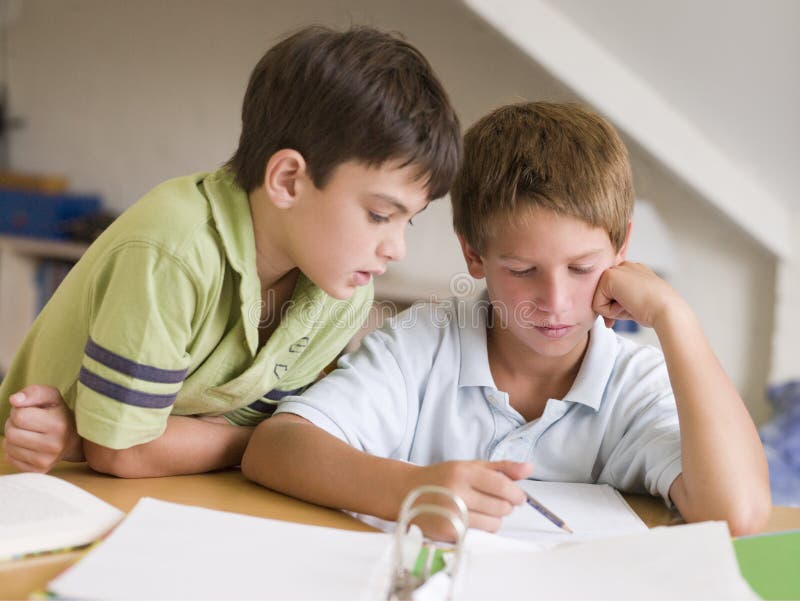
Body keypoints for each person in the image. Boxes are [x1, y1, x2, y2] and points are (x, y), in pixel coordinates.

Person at [241, 102, 771, 537]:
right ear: (473, 255)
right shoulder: (421, 346)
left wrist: (675, 319)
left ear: (622, 249)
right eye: (522, 270)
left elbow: (738, 513)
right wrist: (408, 490)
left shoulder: (634, 385)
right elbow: (274, 448)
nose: (555, 301)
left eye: (582, 268)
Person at [0, 26, 461, 478]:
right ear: (288, 181)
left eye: (408, 220)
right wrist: (271, 443)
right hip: (35, 481)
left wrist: (257, 439)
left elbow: (225, 430)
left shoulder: (343, 294)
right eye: (379, 215)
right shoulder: (175, 250)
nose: (396, 249)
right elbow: (121, 452)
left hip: (176, 490)